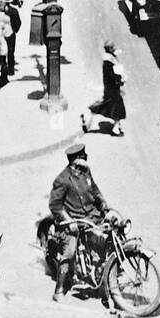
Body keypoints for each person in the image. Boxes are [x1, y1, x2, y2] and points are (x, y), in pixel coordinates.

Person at [48, 140, 110, 301]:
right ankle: (59, 289)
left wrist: (103, 205)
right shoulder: (62, 179)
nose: (87, 157)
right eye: (83, 156)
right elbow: (55, 205)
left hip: (91, 217)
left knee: (109, 236)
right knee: (70, 250)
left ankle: (103, 277)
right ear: (75, 160)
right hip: (72, 222)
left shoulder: (85, 172)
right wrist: (69, 221)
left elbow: (95, 190)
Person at [83, 40, 127, 136]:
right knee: (114, 106)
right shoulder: (109, 62)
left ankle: (116, 127)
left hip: (111, 87)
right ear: (110, 49)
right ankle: (115, 129)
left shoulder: (110, 59)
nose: (114, 48)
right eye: (113, 47)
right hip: (112, 88)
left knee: (114, 106)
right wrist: (120, 81)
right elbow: (113, 75)